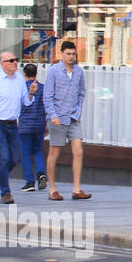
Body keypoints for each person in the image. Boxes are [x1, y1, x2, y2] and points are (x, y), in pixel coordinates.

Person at [0, 51, 40, 205]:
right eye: (11, 60)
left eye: (16, 60)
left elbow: (25, 101)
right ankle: (6, 193)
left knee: (12, 159)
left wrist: (31, 94)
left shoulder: (19, 79)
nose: (15, 63)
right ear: (3, 63)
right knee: (3, 157)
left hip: (12, 124)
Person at [44, 40, 90, 201]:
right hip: (58, 117)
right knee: (54, 152)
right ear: (61, 54)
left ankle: (77, 189)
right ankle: (52, 189)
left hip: (73, 117)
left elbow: (82, 92)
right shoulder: (53, 71)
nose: (71, 57)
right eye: (68, 54)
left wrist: (78, 110)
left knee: (78, 151)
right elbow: (47, 95)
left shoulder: (78, 71)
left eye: (73, 54)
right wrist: (53, 115)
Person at [18, 63, 47, 193]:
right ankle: (41, 174)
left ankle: (29, 181)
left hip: (25, 125)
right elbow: (47, 107)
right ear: (36, 73)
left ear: (24, 74)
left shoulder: (22, 88)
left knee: (25, 154)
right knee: (38, 151)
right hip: (39, 124)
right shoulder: (43, 88)